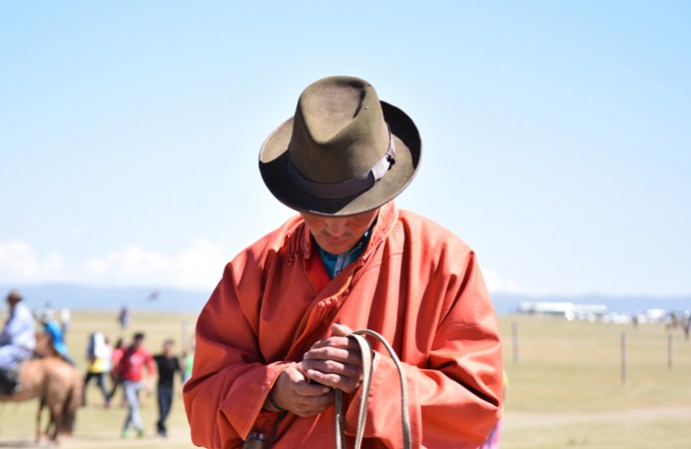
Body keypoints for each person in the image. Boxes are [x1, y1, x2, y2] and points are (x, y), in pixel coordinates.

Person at [182, 76, 503, 448]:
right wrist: (271, 391)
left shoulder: (445, 264)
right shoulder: (252, 269)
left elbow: (477, 408)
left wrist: (374, 381)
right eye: (317, 211)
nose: (335, 228)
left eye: (354, 210)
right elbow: (201, 400)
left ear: (383, 191)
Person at [0, 290, 36, 394]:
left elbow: (10, 332)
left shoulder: (20, 312)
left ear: (13, 301)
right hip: (18, 345)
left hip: (21, 347)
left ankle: (11, 383)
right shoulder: (17, 310)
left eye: (9, 301)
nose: (8, 304)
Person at [113, 332, 155, 438]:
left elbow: (151, 369)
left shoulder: (145, 353)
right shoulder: (127, 352)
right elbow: (119, 366)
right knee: (133, 405)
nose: (139, 343)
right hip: (127, 383)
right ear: (134, 340)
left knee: (133, 407)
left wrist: (149, 383)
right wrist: (115, 379)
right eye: (137, 341)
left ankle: (125, 429)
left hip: (138, 383)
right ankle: (138, 426)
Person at [152, 339, 183, 437]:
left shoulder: (175, 359)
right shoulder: (159, 358)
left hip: (170, 387)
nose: (167, 349)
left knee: (168, 408)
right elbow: (147, 359)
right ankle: (162, 428)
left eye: (169, 347)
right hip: (161, 386)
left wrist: (183, 363)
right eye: (165, 346)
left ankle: (160, 423)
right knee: (162, 408)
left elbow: (180, 372)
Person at [83, 332, 112, 407]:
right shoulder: (93, 347)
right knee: (84, 384)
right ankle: (83, 400)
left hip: (99, 369)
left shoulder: (101, 348)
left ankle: (108, 400)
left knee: (102, 386)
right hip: (92, 369)